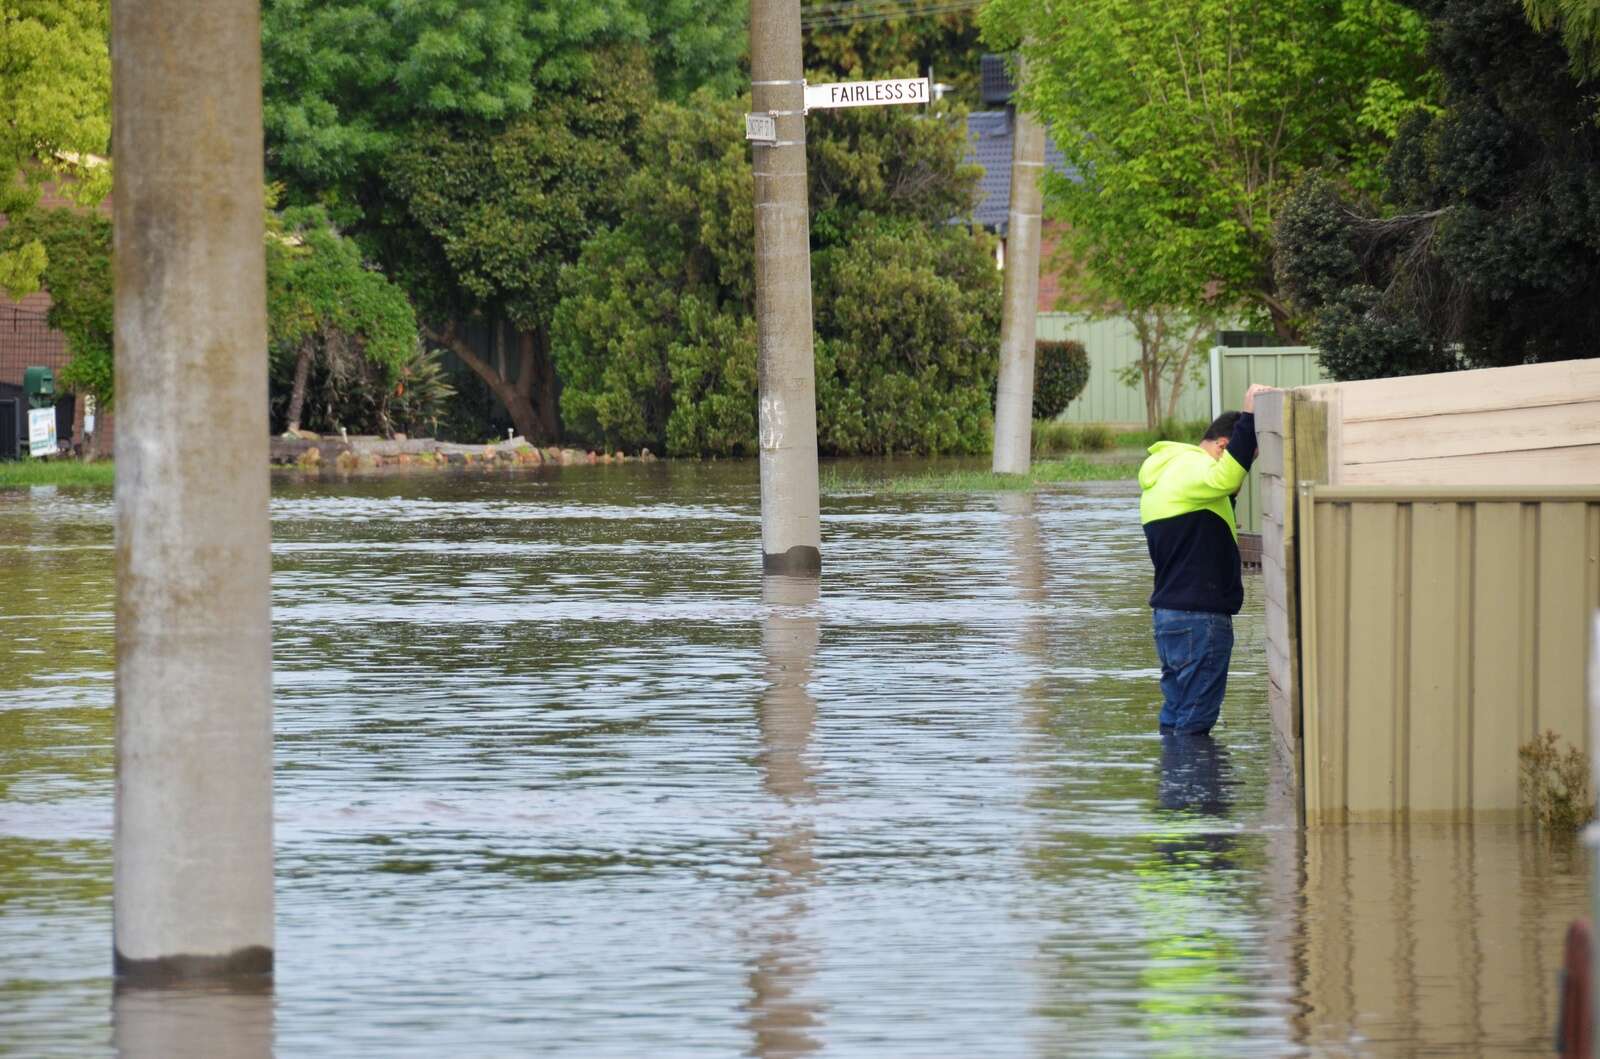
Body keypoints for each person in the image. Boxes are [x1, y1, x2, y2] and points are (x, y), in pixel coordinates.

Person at [1137, 384, 1276, 735]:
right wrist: (1250, 415)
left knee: (1176, 716)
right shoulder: (1194, 468)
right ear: (1223, 446)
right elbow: (1227, 476)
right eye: (1247, 460)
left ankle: (1174, 787)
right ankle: (1198, 788)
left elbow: (1202, 526)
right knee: (1194, 724)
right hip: (1200, 620)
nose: (1243, 473)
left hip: (1170, 617)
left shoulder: (1167, 477)